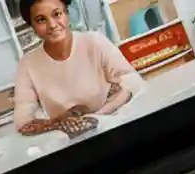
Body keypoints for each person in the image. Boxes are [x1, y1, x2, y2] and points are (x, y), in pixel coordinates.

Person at [13, 0, 143, 136]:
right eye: (41, 20)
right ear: (31, 26)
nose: (52, 25)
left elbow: (133, 83)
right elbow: (23, 123)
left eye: (57, 14)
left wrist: (97, 117)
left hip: (117, 126)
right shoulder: (28, 64)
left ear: (67, 13)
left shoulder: (94, 42)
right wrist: (60, 123)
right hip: (69, 142)